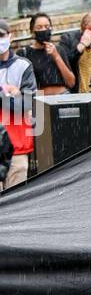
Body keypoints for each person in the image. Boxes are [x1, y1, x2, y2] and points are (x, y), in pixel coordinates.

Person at [0, 19, 36, 191]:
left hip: (17, 145)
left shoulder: (23, 66)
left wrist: (4, 98)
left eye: (1, 35)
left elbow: (27, 103)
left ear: (10, 36)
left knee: (16, 201)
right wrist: (10, 94)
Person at [22, 13, 75, 93]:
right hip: (39, 99)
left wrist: (56, 56)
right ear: (32, 31)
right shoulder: (25, 53)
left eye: (47, 27)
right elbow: (24, 85)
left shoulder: (59, 50)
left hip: (62, 96)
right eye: (39, 27)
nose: (44, 30)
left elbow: (71, 83)